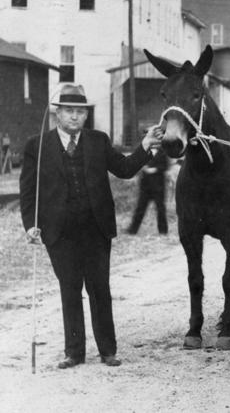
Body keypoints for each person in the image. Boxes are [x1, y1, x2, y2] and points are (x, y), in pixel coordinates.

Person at [19, 84, 162, 370]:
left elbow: (123, 169)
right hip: (58, 232)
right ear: (58, 114)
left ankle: (108, 351)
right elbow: (28, 191)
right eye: (69, 111)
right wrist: (31, 226)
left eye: (80, 112)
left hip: (96, 229)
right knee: (69, 289)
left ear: (86, 115)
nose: (75, 117)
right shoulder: (38, 145)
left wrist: (145, 146)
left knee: (99, 289)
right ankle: (74, 352)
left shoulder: (98, 141)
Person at [126, 149, 169, 235]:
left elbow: (164, 166)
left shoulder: (163, 153)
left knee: (160, 208)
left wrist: (154, 170)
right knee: (140, 208)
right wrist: (142, 167)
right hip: (145, 186)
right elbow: (136, 164)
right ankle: (132, 230)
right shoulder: (144, 152)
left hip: (158, 186)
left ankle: (163, 231)